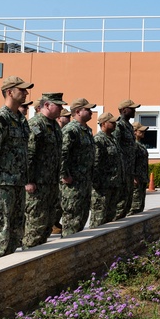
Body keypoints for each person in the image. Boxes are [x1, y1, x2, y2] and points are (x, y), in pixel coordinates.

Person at [0, 76, 34, 261]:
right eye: (22, 90)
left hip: (17, 183)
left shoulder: (19, 119)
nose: (26, 93)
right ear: (10, 92)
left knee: (14, 233)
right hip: (1, 184)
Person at [23, 93, 66, 248]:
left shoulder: (54, 126)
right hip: (38, 184)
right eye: (58, 105)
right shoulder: (36, 125)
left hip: (51, 182)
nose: (61, 108)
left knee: (47, 224)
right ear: (47, 105)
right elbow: (29, 154)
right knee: (35, 225)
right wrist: (28, 180)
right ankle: (28, 257)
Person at [60, 99, 96, 235]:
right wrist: (64, 175)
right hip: (73, 184)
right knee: (72, 221)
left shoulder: (87, 130)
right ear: (77, 112)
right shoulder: (71, 130)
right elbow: (62, 153)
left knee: (81, 218)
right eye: (87, 109)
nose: (91, 112)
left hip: (84, 181)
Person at [90, 112, 123, 227]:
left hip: (113, 184)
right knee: (99, 219)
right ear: (103, 124)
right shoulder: (99, 140)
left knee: (110, 219)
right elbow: (95, 163)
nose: (115, 124)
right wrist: (97, 183)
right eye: (112, 122)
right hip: (102, 187)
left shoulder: (113, 139)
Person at [114, 100, 139, 219]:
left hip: (129, 170)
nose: (134, 111)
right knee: (120, 204)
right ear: (124, 110)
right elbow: (115, 147)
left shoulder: (128, 126)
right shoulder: (119, 125)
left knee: (127, 203)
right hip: (122, 170)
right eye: (132, 108)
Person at [129, 123, 150, 214]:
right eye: (141, 130)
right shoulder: (132, 145)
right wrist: (133, 176)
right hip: (136, 180)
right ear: (134, 132)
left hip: (142, 178)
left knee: (140, 205)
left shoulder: (140, 145)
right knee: (134, 207)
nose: (143, 132)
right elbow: (130, 162)